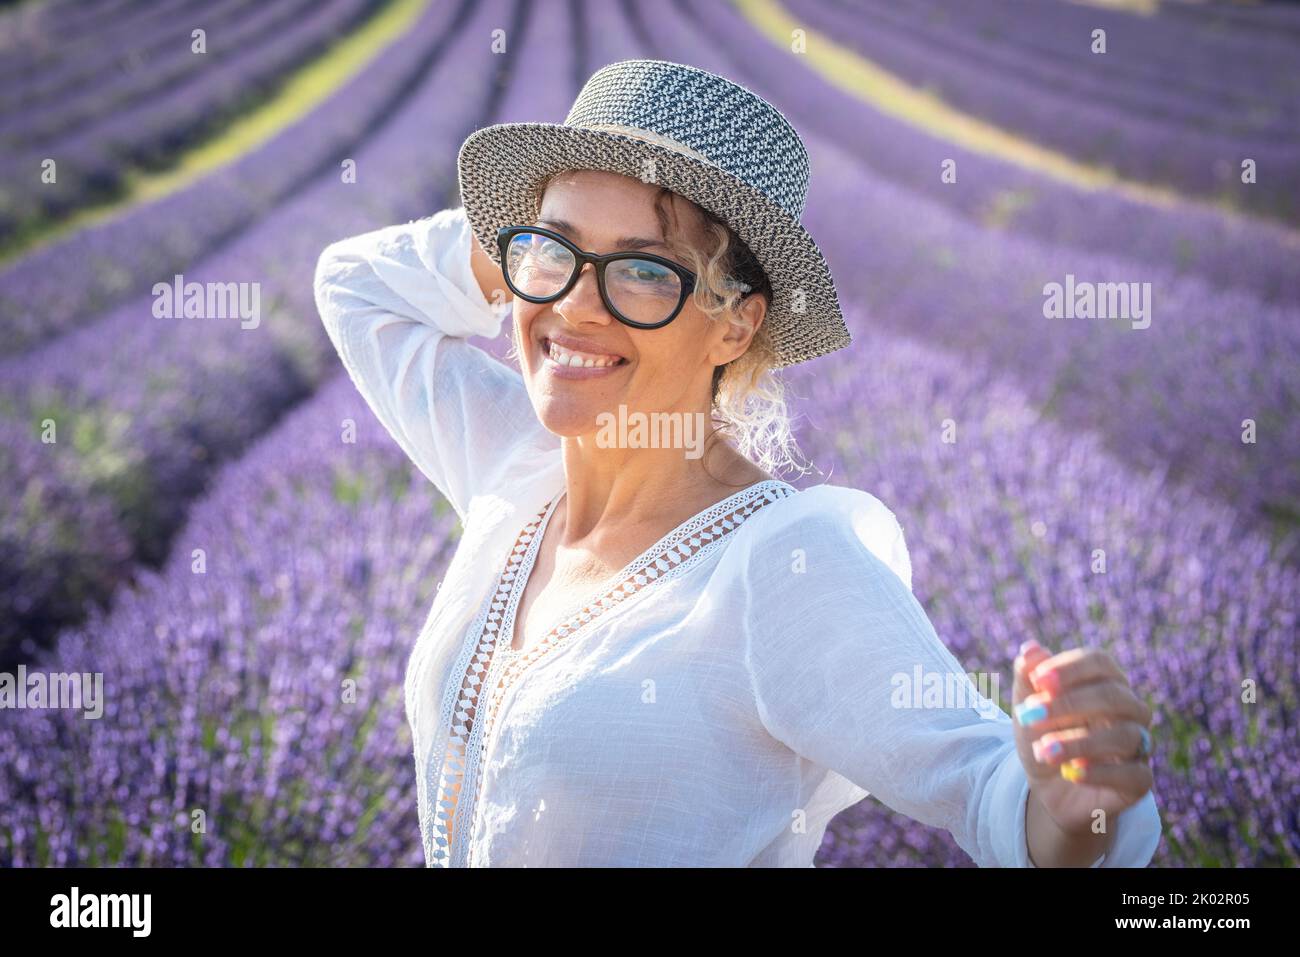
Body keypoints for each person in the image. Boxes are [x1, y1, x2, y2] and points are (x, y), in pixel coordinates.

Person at [313, 58, 1160, 868]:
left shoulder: (780, 565)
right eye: (551, 253)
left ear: (735, 324)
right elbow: (353, 284)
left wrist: (1072, 796)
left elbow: (990, 790)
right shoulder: (519, 466)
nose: (577, 304)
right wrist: (536, 254)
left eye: (644, 271)